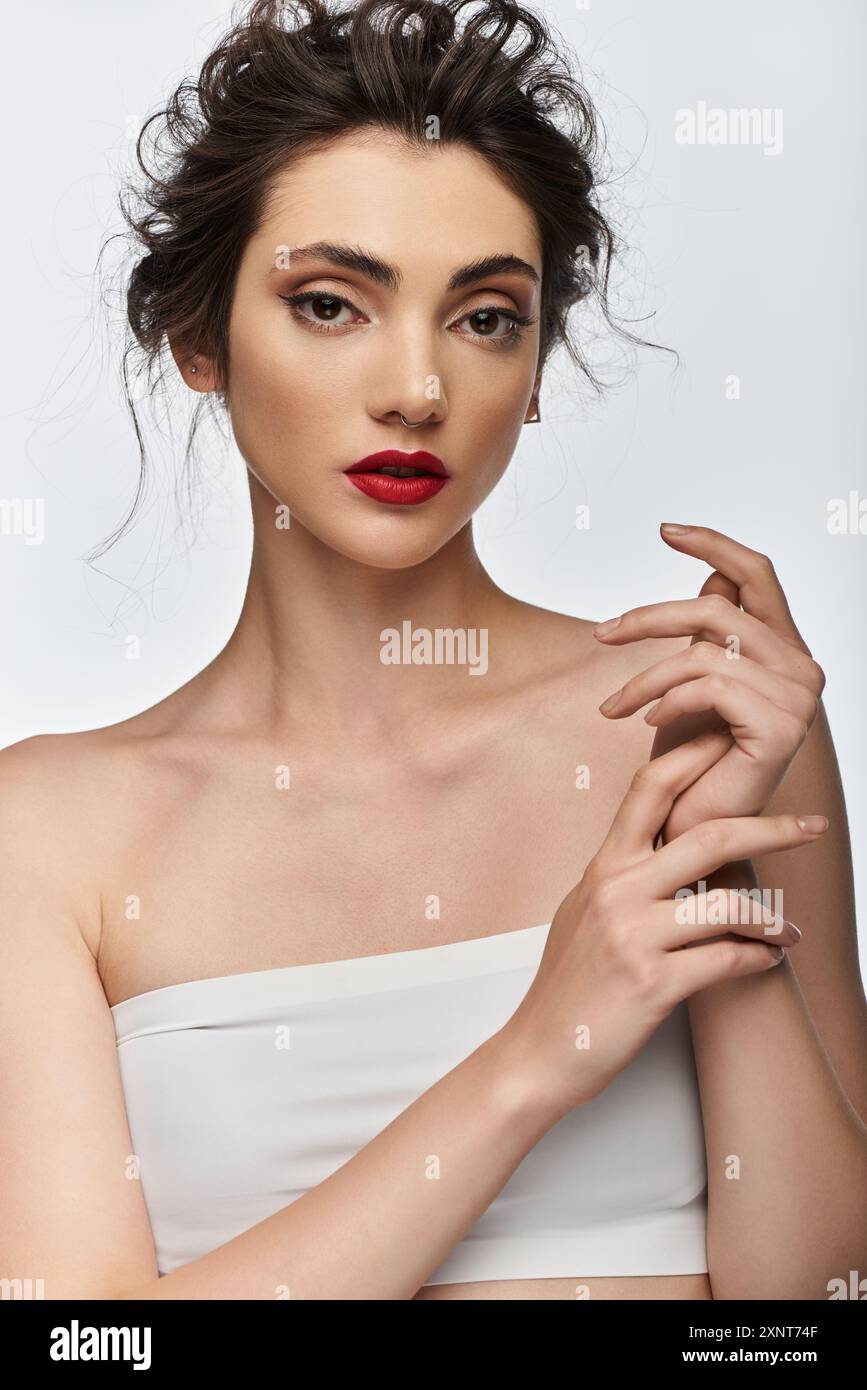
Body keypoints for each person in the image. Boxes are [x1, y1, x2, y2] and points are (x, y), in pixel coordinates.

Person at [1, 0, 865, 1302]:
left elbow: (814, 1313)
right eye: (332, 302)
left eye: (484, 317)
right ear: (197, 339)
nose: (416, 388)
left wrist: (707, 874)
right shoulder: (50, 831)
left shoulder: (699, 717)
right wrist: (534, 1055)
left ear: (534, 361)